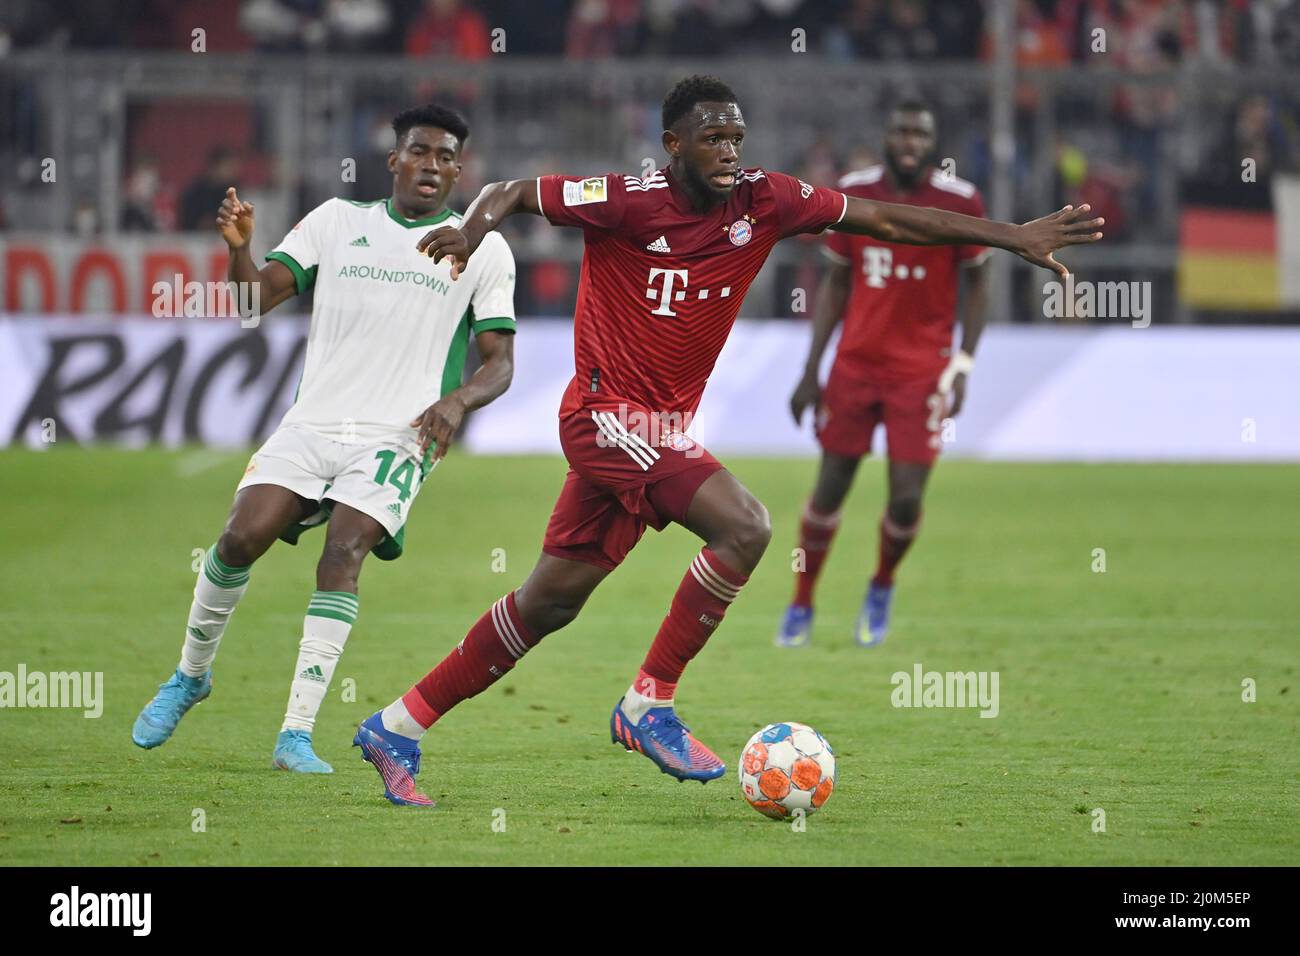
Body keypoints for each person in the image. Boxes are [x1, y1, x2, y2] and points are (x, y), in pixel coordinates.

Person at [353, 75, 1102, 807]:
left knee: (547, 603)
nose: (729, 151)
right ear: (672, 145)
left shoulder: (767, 200)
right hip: (605, 415)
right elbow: (514, 191)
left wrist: (1010, 237)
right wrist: (472, 229)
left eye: (737, 137)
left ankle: (397, 725)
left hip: (657, 432)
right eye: (712, 138)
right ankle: (649, 703)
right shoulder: (626, 201)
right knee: (746, 526)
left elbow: (888, 219)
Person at [131, 104, 518, 774]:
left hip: (400, 434)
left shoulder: (482, 248)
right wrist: (239, 249)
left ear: (461, 169)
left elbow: (500, 361)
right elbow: (253, 303)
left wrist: (457, 401)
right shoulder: (338, 222)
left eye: (447, 156)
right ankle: (191, 676)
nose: (432, 166)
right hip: (312, 421)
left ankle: (295, 735)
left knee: (345, 549)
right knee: (238, 538)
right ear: (393, 160)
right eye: (420, 152)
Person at [779, 100, 989, 649]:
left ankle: (881, 585)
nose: (909, 141)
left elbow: (979, 285)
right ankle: (802, 601)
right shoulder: (855, 192)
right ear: (887, 136)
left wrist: (963, 364)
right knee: (829, 489)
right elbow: (836, 285)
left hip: (921, 374)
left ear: (932, 140)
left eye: (920, 132)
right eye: (900, 131)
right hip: (856, 366)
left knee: (904, 499)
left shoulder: (961, 202)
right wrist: (811, 368)